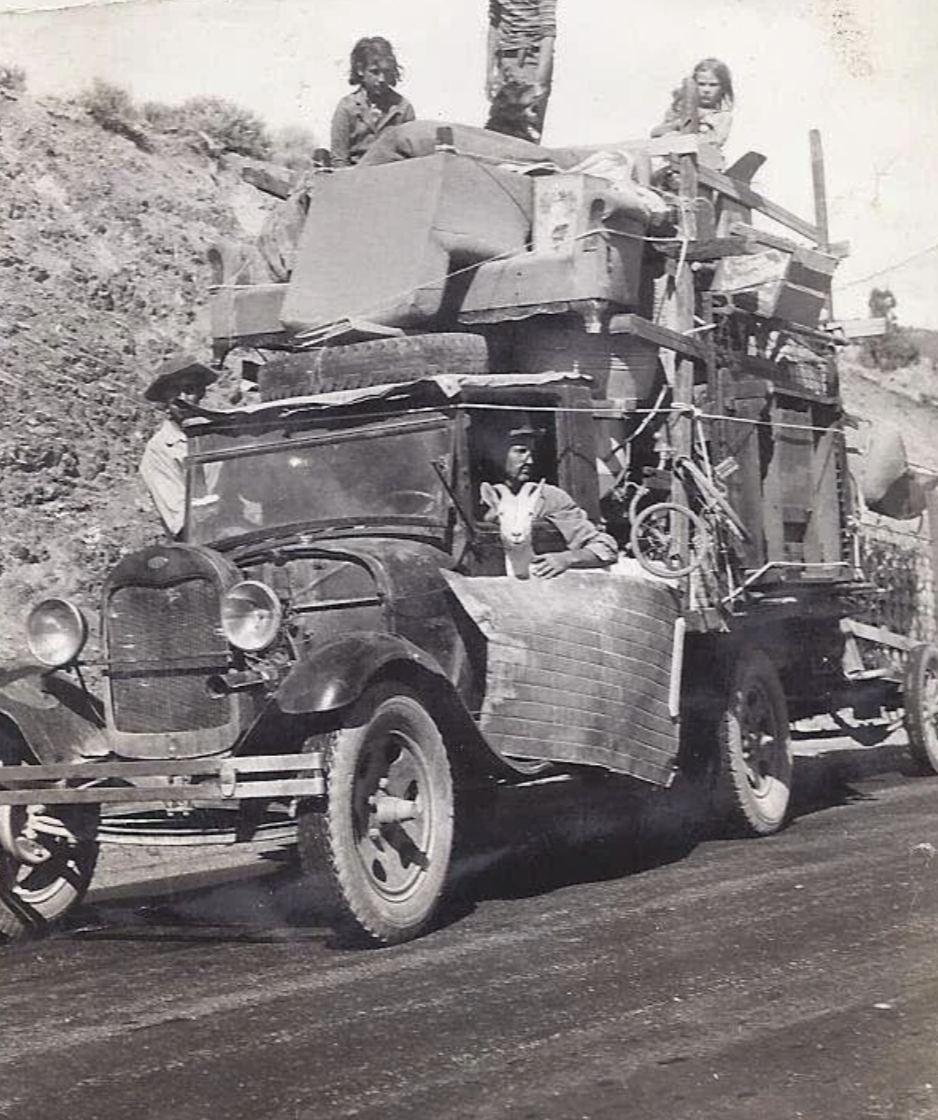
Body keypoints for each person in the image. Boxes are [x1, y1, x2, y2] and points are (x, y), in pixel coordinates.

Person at [482, 418, 618, 577]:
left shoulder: (549, 498)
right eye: (520, 451)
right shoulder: (475, 495)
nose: (530, 461)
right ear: (496, 453)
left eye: (532, 453)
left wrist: (567, 559)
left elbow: (605, 548)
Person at [139, 354, 217, 537]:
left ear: (201, 392)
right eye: (174, 391)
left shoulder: (220, 435)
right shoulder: (159, 450)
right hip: (201, 546)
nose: (182, 398)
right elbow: (182, 521)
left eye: (189, 389)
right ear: (165, 399)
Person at [330, 36, 415, 168]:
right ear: (360, 70)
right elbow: (339, 160)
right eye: (374, 72)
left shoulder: (403, 108)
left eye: (386, 72)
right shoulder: (347, 107)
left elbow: (411, 156)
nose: (381, 79)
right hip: (354, 179)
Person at [486, 0, 556, 143]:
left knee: (525, 135)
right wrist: (489, 73)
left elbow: (548, 33)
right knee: (500, 133)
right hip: (504, 61)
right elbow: (494, 23)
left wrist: (539, 82)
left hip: (530, 61)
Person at [650, 57, 734, 152]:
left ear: (723, 88)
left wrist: (700, 121)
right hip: (673, 157)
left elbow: (716, 142)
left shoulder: (723, 116)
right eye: (701, 84)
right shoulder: (678, 109)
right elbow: (655, 133)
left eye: (713, 85)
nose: (706, 90)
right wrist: (677, 124)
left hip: (705, 160)